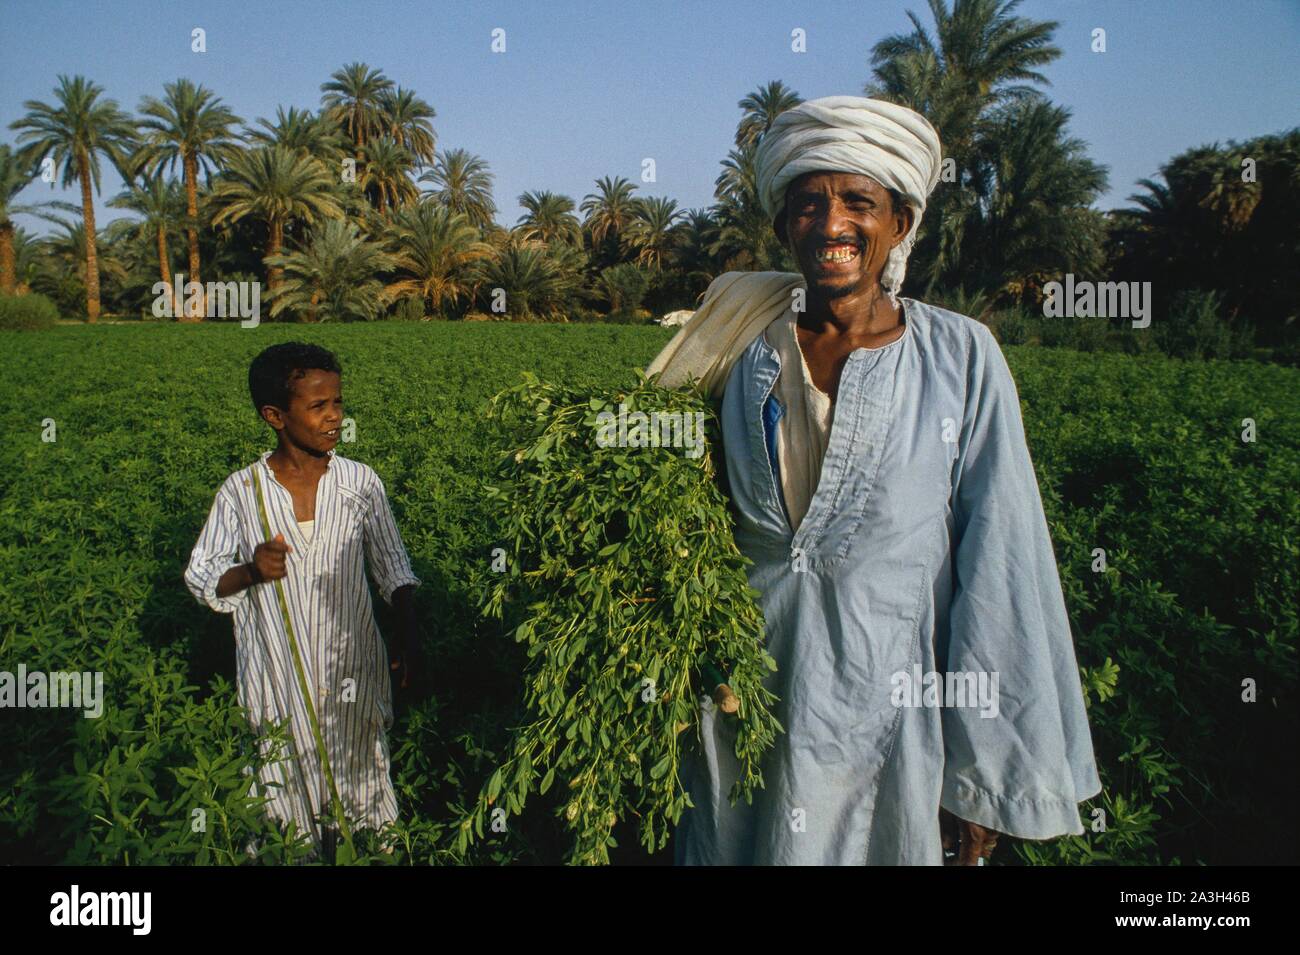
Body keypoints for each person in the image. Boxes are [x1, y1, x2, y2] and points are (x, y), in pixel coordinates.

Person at [648, 96, 1101, 865]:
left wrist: (979, 778)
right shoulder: (733, 348)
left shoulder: (961, 358)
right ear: (785, 222)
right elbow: (673, 518)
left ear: (900, 221)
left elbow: (1002, 566)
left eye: (859, 201)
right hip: (743, 712)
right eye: (808, 204)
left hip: (887, 721)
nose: (832, 224)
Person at [184, 342, 420, 855]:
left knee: (363, 778)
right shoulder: (241, 492)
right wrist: (248, 571)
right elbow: (202, 576)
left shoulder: (360, 484)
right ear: (275, 416)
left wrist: (404, 640)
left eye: (337, 403)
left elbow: (394, 571)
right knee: (281, 791)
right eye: (318, 407)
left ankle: (370, 851)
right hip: (277, 679)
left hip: (353, 671)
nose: (334, 417)